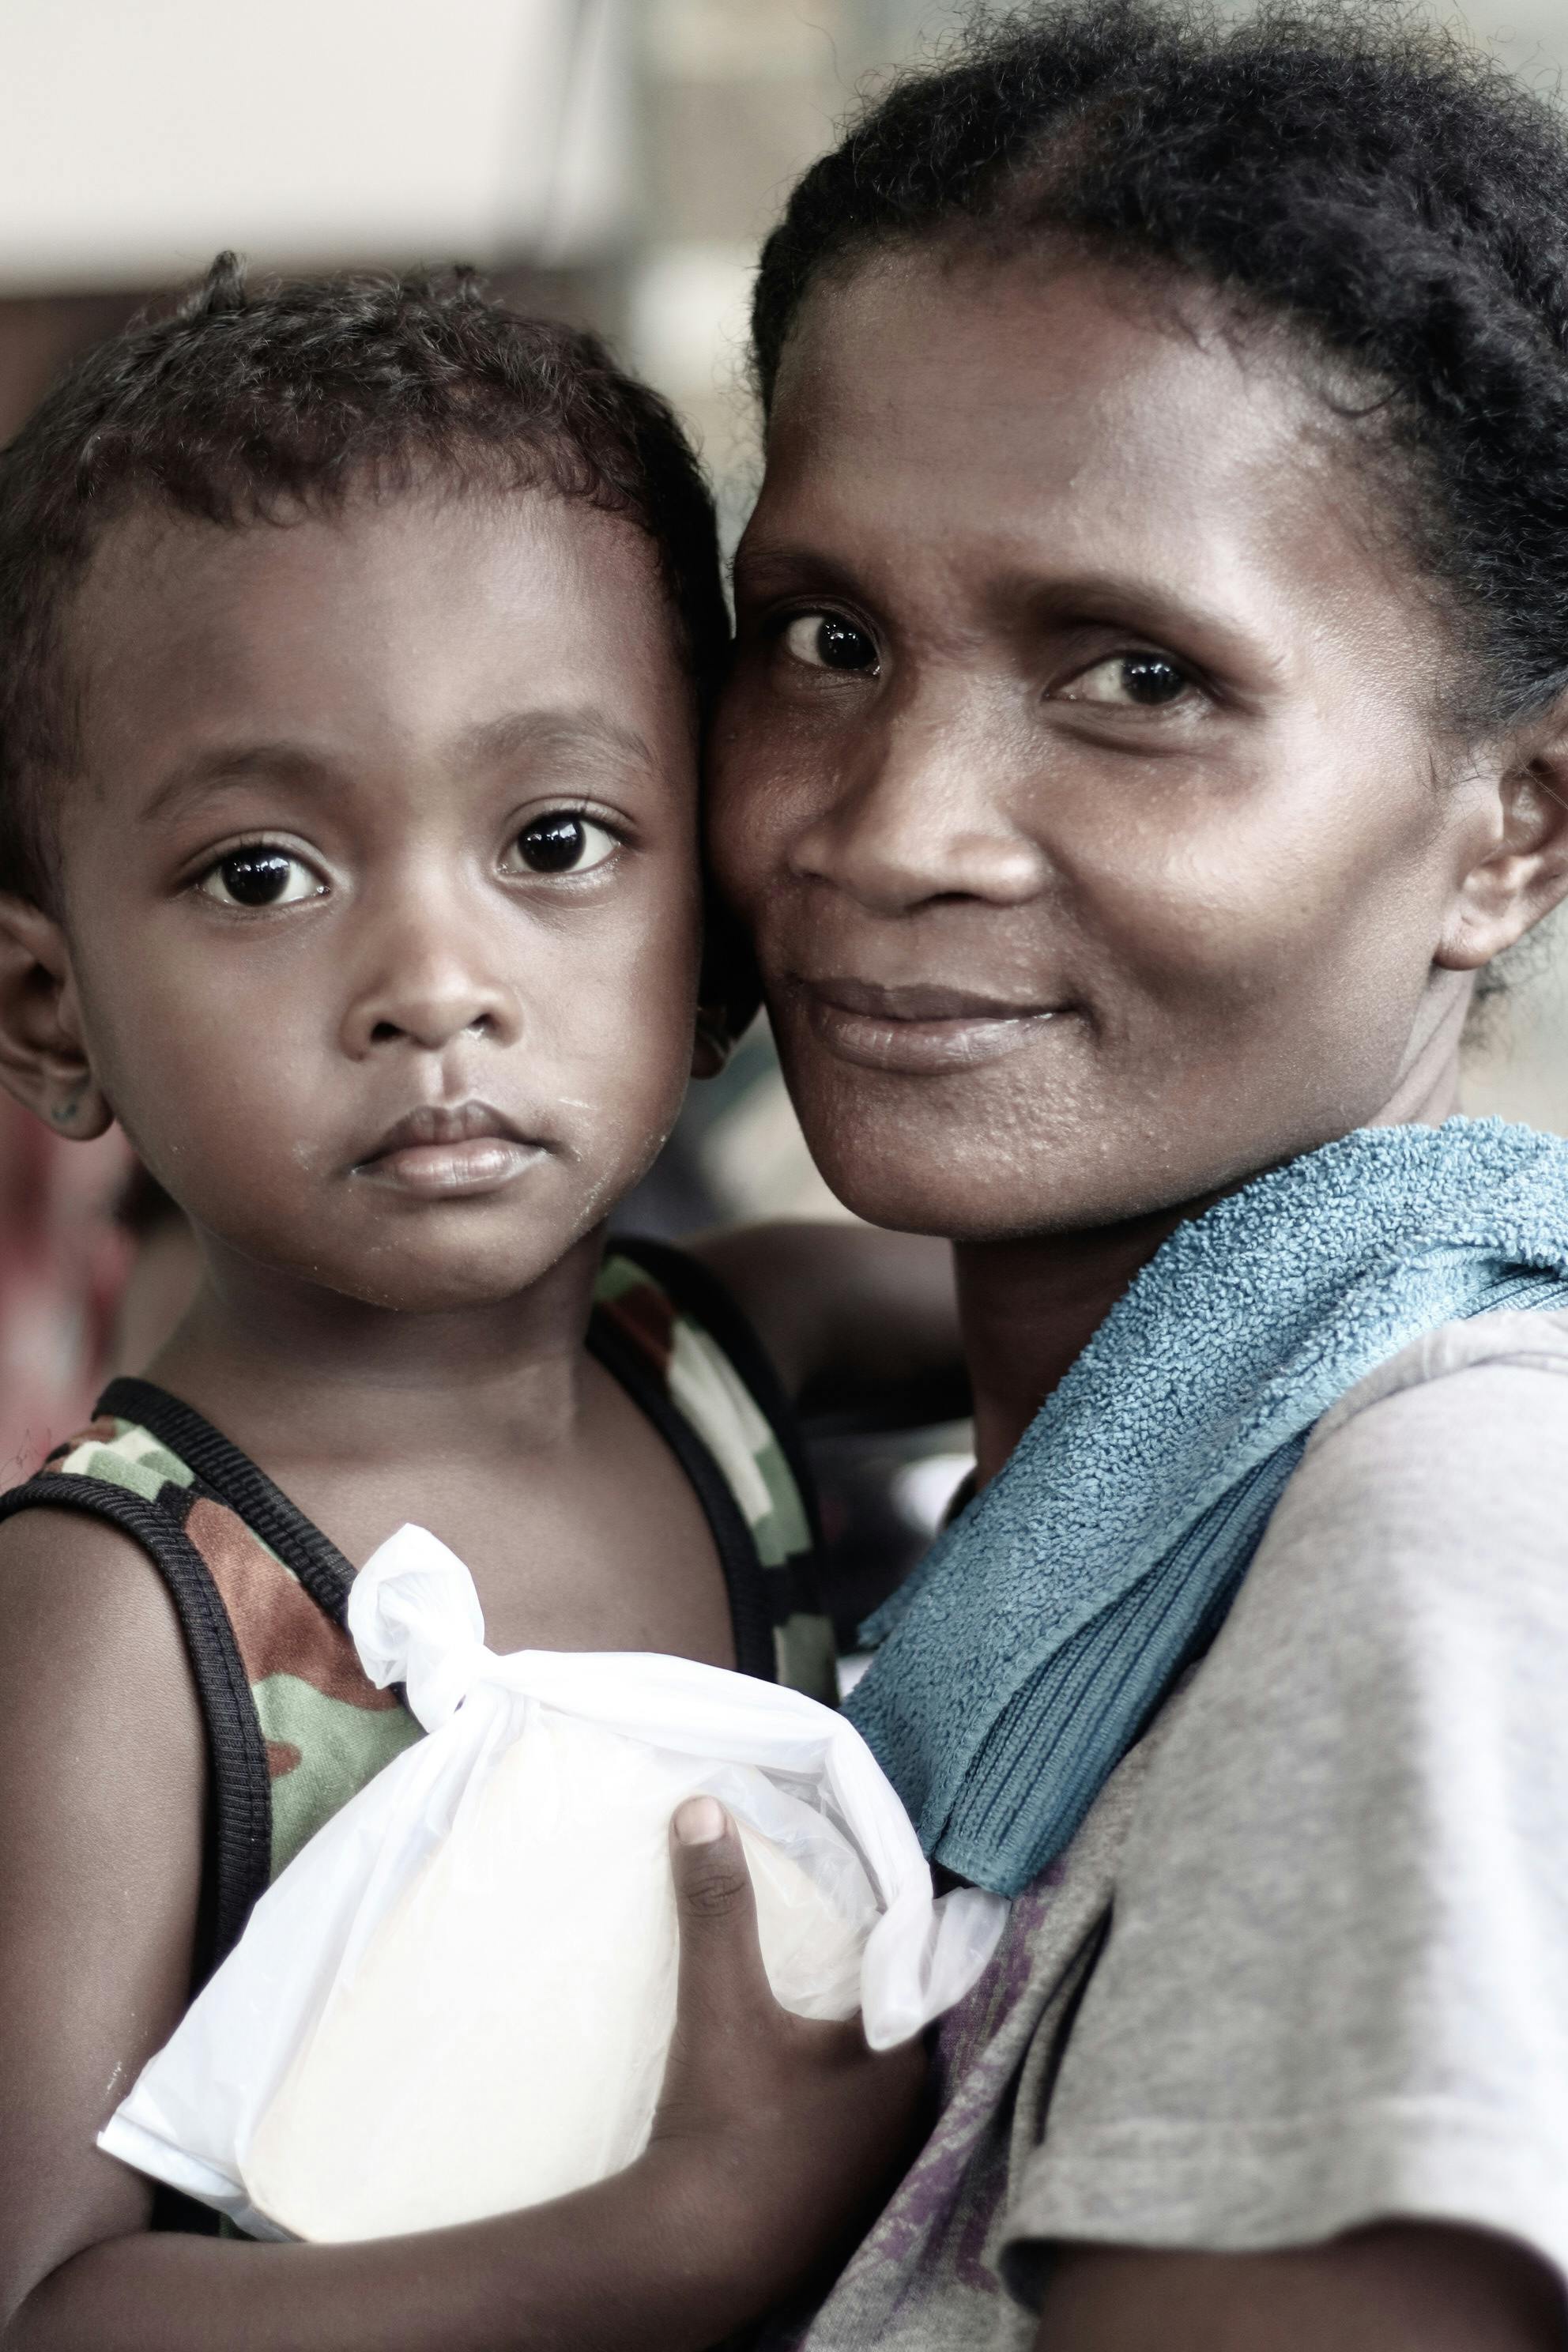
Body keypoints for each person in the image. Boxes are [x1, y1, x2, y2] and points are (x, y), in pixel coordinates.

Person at [709, 3, 1568, 2344]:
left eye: (1139, 679)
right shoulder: (992, 1539)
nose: (889, 828)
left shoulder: (1449, 1560)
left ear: (1518, 827)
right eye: (826, 638)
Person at [0, 259, 951, 2349]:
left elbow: (1214, 1282)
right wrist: (668, 2245)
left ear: (704, 929)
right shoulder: (125, 1615)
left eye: (556, 837)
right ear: (47, 1007)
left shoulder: (738, 1359)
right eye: (264, 874)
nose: (436, 979)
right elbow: (46, 2307)